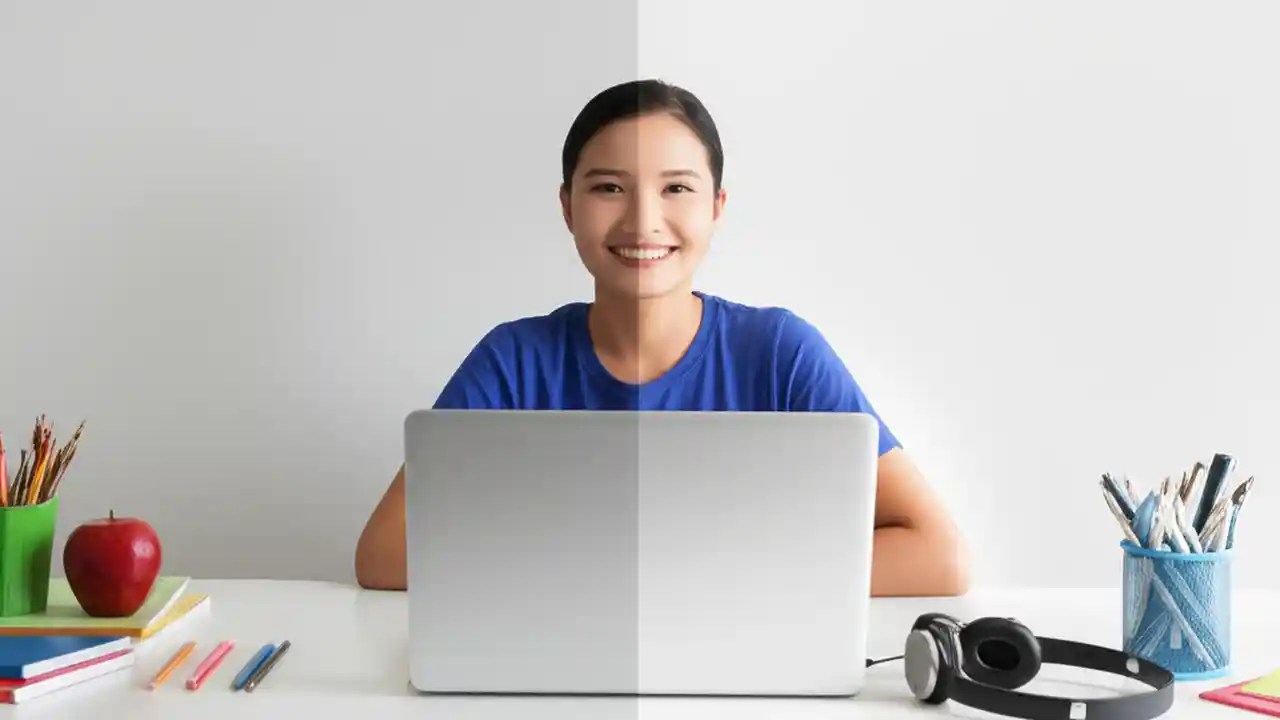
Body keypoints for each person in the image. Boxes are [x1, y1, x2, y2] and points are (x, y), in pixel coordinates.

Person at [356, 79, 970, 597]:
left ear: (716, 207)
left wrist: (696, 577)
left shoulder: (781, 352)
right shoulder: (514, 360)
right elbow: (384, 553)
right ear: (568, 207)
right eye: (608, 188)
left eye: (676, 188)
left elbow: (938, 555)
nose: (643, 220)